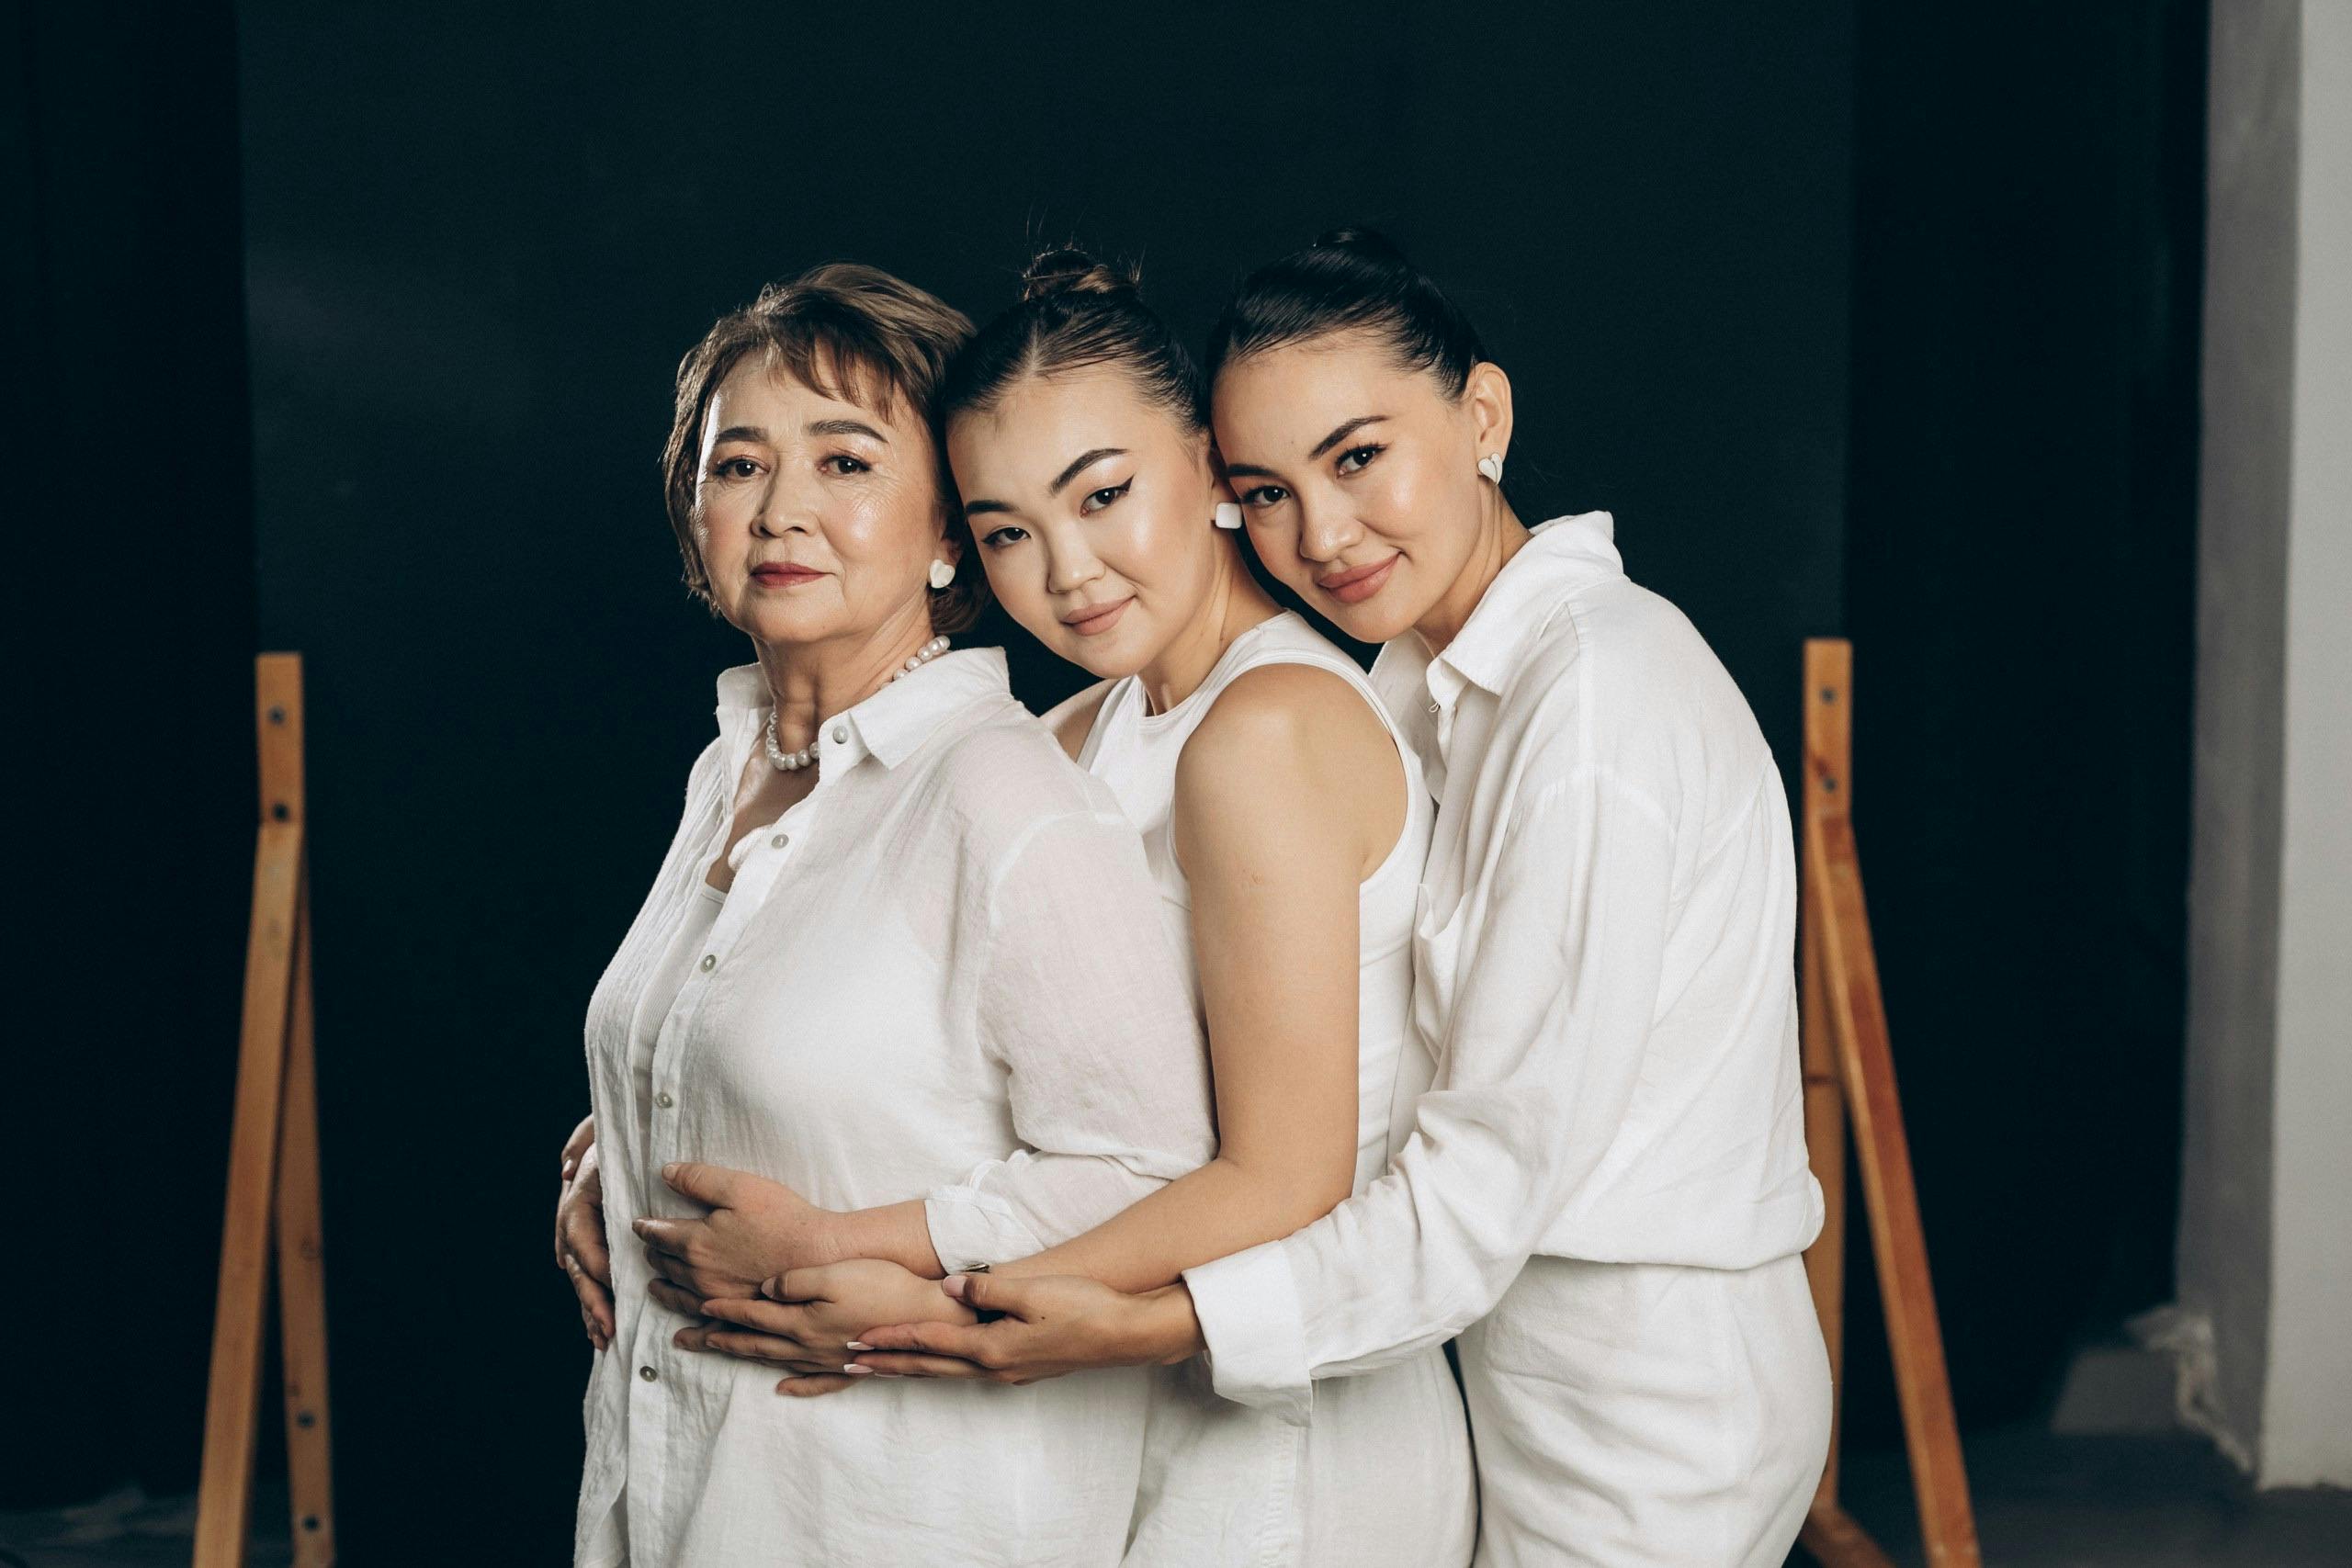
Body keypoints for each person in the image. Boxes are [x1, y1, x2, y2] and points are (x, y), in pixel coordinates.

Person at [848, 231, 1835, 1568]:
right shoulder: (1426, 685)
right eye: (1269, 488)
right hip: (1491, 1360)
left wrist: (1135, 1317)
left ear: (1483, 418)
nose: (1320, 534)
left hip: (1648, 1388)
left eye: (1359, 456)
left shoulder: (1595, 696)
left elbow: (1481, 1177)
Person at [645, 249, 1476, 1563]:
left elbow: (1280, 1178)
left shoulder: (1265, 728)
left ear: (1210, 467)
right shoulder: (1085, 726)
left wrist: (908, 1289)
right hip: (1128, 1394)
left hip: (1287, 1433)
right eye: (1007, 531)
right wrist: (627, 1136)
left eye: (1103, 496)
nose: (1067, 571)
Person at [562, 263, 1216, 1568]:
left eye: (846, 462)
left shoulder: (997, 792)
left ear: (945, 535)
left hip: (895, 1510)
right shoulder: (732, 769)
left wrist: (894, 1278)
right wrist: (616, 1150)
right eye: (739, 465)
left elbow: (1148, 1168)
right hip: (683, 1491)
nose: (781, 509)